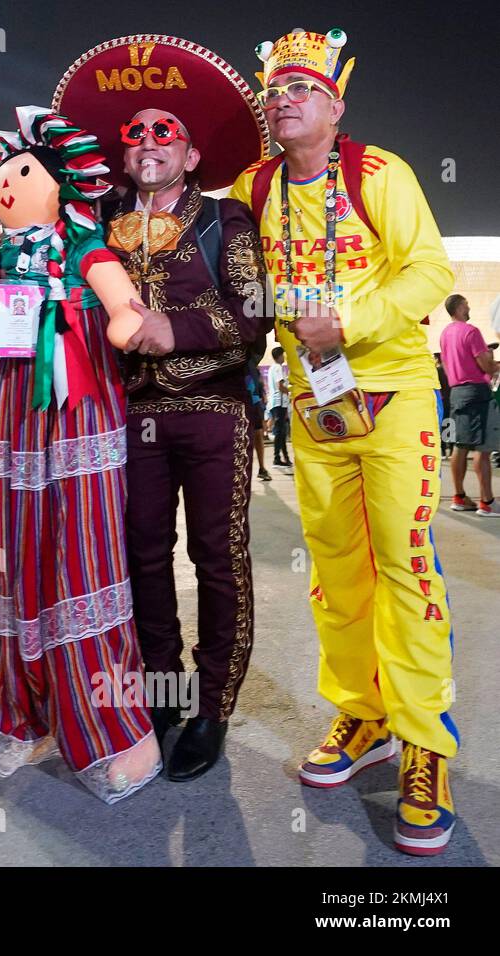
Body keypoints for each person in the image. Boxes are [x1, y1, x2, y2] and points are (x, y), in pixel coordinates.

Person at [230, 27, 458, 855]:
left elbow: (431, 270)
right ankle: (363, 716)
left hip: (394, 396)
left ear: (336, 106)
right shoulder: (253, 184)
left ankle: (425, 741)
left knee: (404, 562)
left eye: (302, 88)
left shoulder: (378, 173)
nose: (283, 98)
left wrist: (352, 319)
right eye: (274, 89)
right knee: (335, 570)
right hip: (314, 406)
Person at [0, 105, 158, 803]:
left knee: (82, 552)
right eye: (0, 177)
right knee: (4, 547)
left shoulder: (84, 249)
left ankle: (112, 731)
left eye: (22, 172)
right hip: (12, 425)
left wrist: (129, 319)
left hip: (76, 418)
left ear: (63, 182)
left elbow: (120, 301)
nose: (7, 186)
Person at [58, 34, 271, 780]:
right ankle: (163, 694)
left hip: (214, 416)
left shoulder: (228, 220)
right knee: (140, 557)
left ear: (189, 156)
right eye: (135, 133)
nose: (147, 141)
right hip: (130, 421)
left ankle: (212, 708)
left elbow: (251, 314)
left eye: (164, 132)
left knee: (218, 558)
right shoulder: (94, 225)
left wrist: (165, 329)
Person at [440, 295, 499, 514]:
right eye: (466, 304)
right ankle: (487, 502)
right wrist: (493, 363)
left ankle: (459, 497)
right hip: (476, 392)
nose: (469, 307)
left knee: (459, 445)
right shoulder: (471, 331)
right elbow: (485, 365)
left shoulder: (445, 333)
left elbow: (447, 364)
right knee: (482, 448)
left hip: (457, 393)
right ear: (458, 307)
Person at [265, 346, 292, 467]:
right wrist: (291, 392)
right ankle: (278, 458)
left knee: (281, 431)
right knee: (280, 431)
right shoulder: (277, 368)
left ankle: (284, 458)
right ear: (280, 355)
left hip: (279, 403)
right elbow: (280, 386)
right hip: (279, 403)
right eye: (284, 354)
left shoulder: (274, 368)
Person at [246, 366, 271, 480]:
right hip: (239, 401)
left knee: (258, 434)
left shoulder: (253, 366)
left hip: (254, 402)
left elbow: (259, 383)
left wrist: (263, 395)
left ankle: (261, 468)